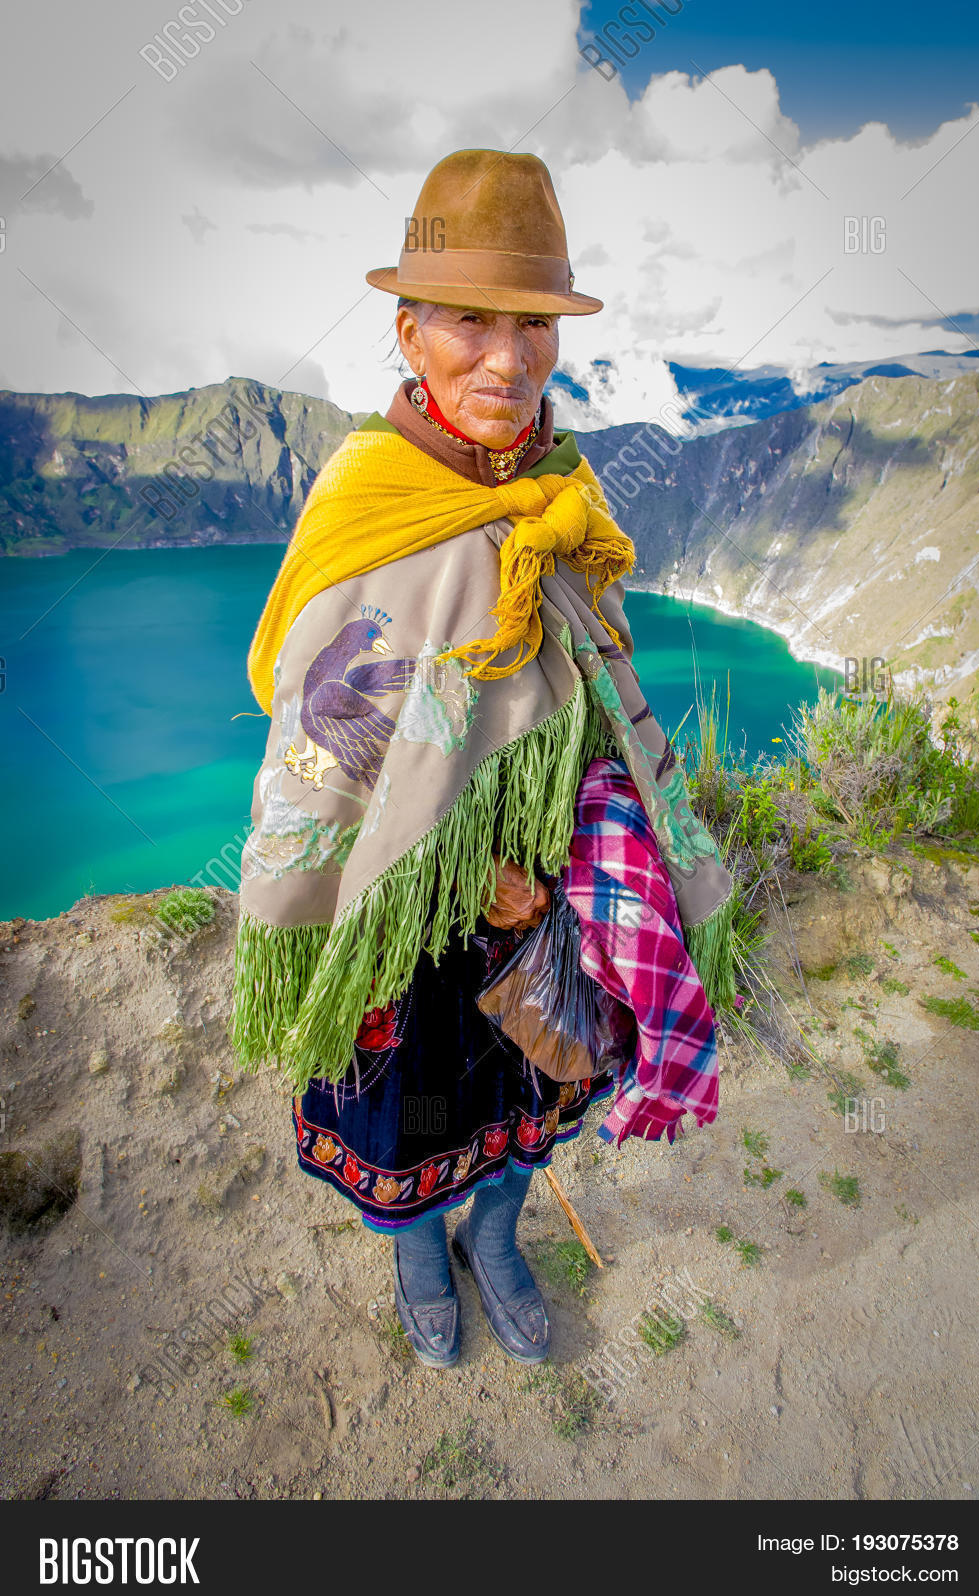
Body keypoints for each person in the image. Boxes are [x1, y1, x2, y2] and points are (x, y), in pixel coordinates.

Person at [230, 149, 733, 1370]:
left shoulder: (562, 492)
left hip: (542, 897)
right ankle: (420, 1252)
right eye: (469, 320)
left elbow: (596, 687)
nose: (506, 360)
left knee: (534, 1092)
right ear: (409, 332)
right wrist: (441, 876)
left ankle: (495, 1238)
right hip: (403, 915)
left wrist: (568, 860)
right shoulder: (372, 504)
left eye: (533, 325)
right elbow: (327, 743)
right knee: (412, 1116)